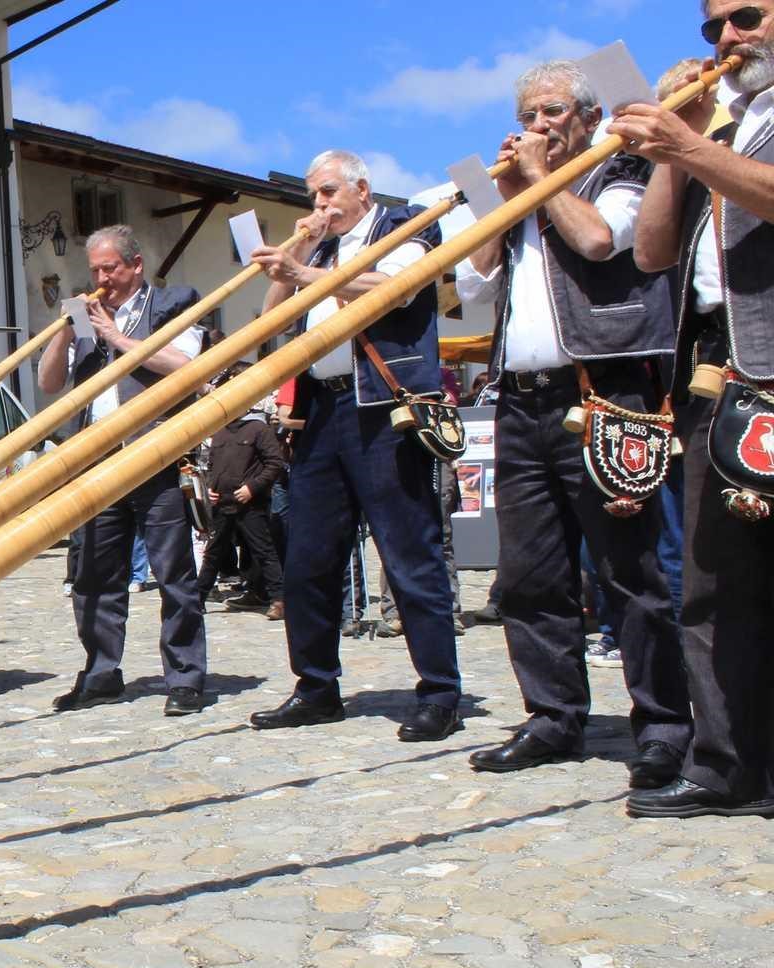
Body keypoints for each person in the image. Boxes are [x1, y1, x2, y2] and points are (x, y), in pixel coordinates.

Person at [452, 60, 691, 784]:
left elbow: (597, 241)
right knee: (529, 574)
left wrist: (539, 185)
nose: (536, 127)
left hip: (605, 389)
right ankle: (553, 716)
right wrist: (502, 196)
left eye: (551, 112)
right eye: (528, 115)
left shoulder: (619, 171)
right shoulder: (517, 191)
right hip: (522, 399)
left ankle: (665, 725)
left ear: (587, 117)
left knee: (630, 567)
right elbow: (473, 281)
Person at [613, 2, 774, 816]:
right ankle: (725, 767)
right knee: (713, 586)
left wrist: (693, 146)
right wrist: (677, 147)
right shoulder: (732, 121)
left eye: (745, 17)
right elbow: (649, 252)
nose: (725, 41)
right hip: (723, 371)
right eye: (712, 28)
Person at [246, 149, 463, 741]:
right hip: (320, 412)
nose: (318, 206)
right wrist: (292, 256)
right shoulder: (313, 251)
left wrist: (310, 275)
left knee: (408, 553)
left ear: (362, 189)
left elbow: (394, 287)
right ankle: (316, 687)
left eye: (327, 194)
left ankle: (440, 692)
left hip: (382, 410)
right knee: (308, 560)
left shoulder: (403, 226)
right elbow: (270, 321)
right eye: (313, 196)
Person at [35, 227, 211, 716]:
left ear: (135, 265)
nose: (101, 278)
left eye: (109, 268)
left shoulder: (174, 303)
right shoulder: (88, 317)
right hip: (98, 460)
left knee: (173, 573)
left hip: (156, 454)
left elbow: (187, 365)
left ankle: (185, 677)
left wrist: (115, 335)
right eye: (94, 270)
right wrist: (64, 333)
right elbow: (50, 384)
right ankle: (100, 673)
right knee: (92, 575)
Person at [196, 388, 287, 619]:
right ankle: (197, 598)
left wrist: (252, 488)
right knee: (214, 553)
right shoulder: (220, 433)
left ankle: (279, 599)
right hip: (223, 505)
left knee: (264, 551)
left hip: (250, 505)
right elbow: (211, 466)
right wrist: (210, 489)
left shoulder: (258, 429)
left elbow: (275, 463)